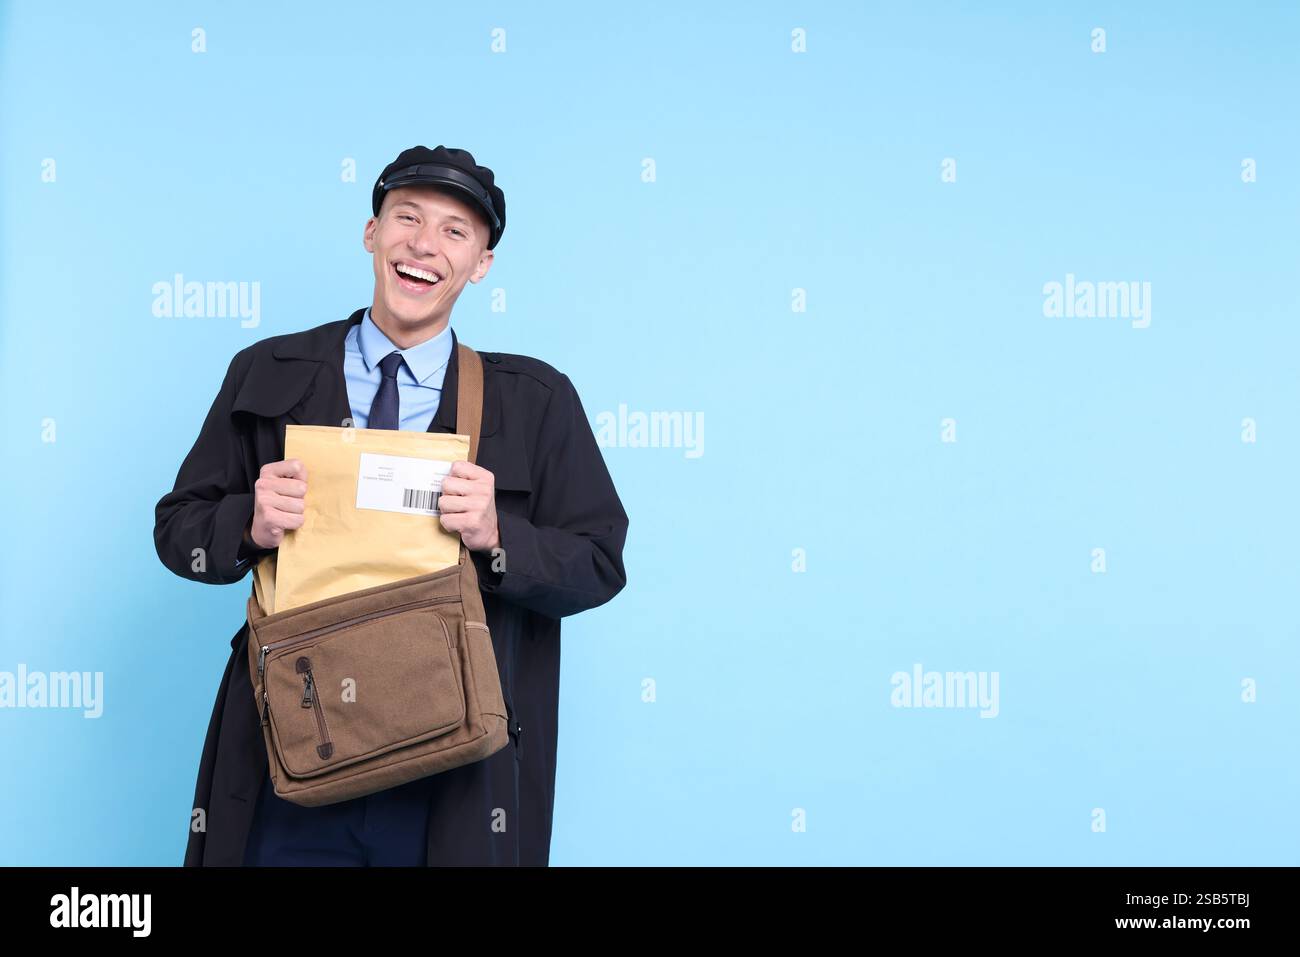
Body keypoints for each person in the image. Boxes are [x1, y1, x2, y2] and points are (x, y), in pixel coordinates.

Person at [154, 145, 630, 865]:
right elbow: (177, 530)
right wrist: (245, 522)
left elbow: (599, 563)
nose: (424, 245)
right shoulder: (267, 370)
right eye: (406, 218)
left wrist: (500, 534)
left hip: (453, 775)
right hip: (293, 746)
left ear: (482, 264)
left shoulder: (535, 400)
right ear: (371, 232)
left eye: (454, 231)